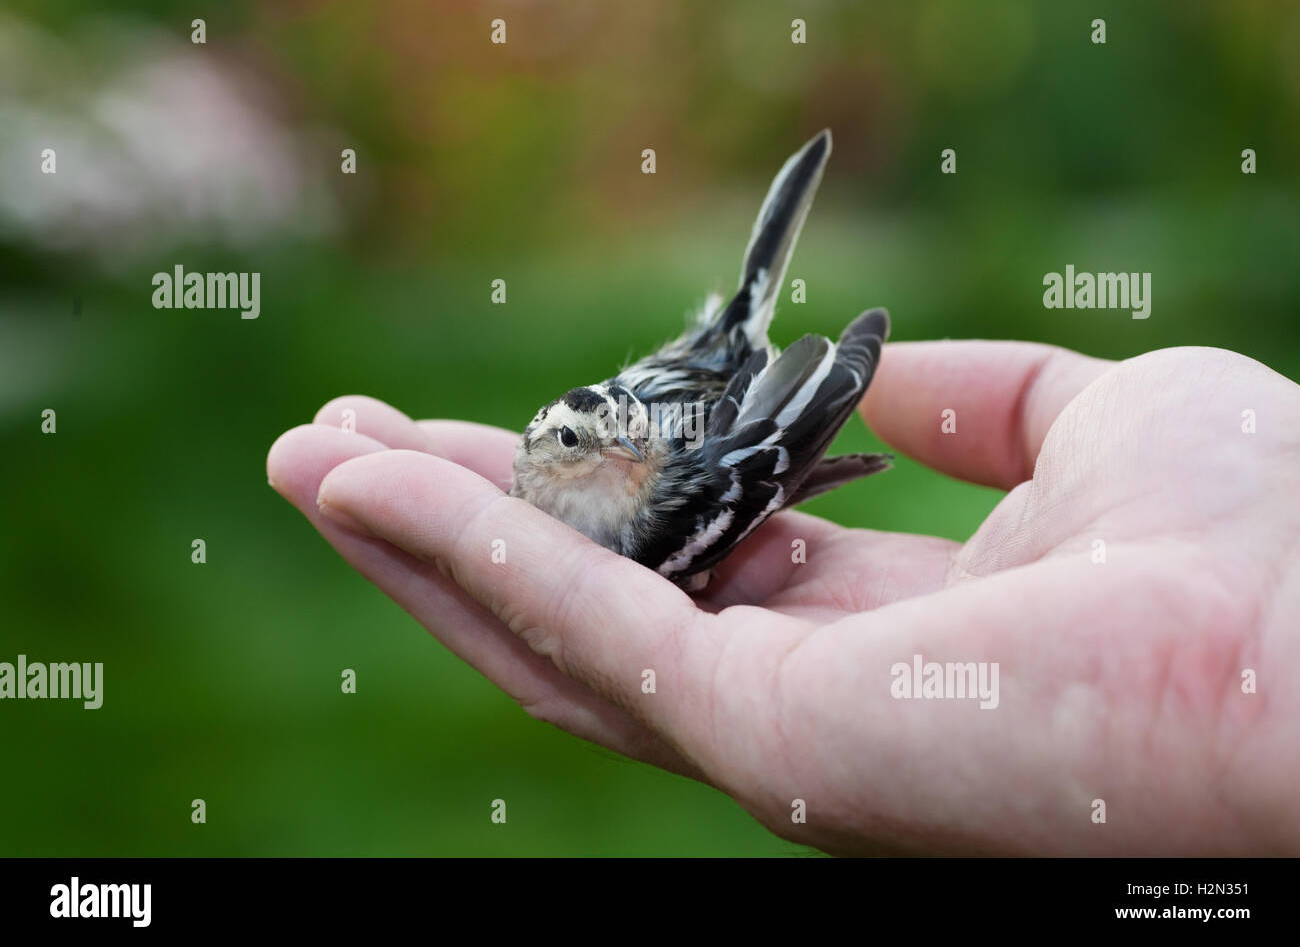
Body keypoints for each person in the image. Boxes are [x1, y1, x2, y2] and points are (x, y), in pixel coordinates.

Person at [267, 340, 1300, 855]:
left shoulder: (648, 514)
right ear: (542, 458)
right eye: (588, 446)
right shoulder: (548, 485)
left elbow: (722, 476)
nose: (627, 462)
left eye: (635, 448)